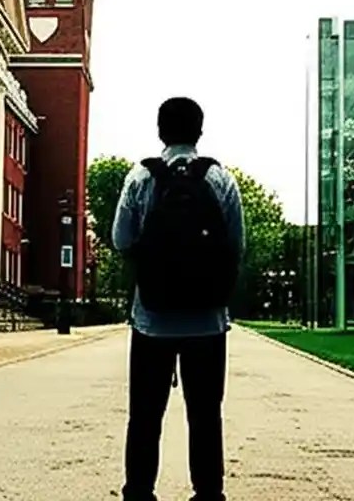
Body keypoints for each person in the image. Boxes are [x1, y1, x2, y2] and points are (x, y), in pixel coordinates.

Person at [112, 97, 245, 501]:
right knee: (205, 414)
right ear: (199, 131)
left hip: (151, 318)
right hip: (207, 321)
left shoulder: (141, 177)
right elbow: (237, 246)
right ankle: (208, 493)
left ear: (159, 131)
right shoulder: (220, 179)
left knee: (145, 416)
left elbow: (121, 239)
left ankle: (139, 491)